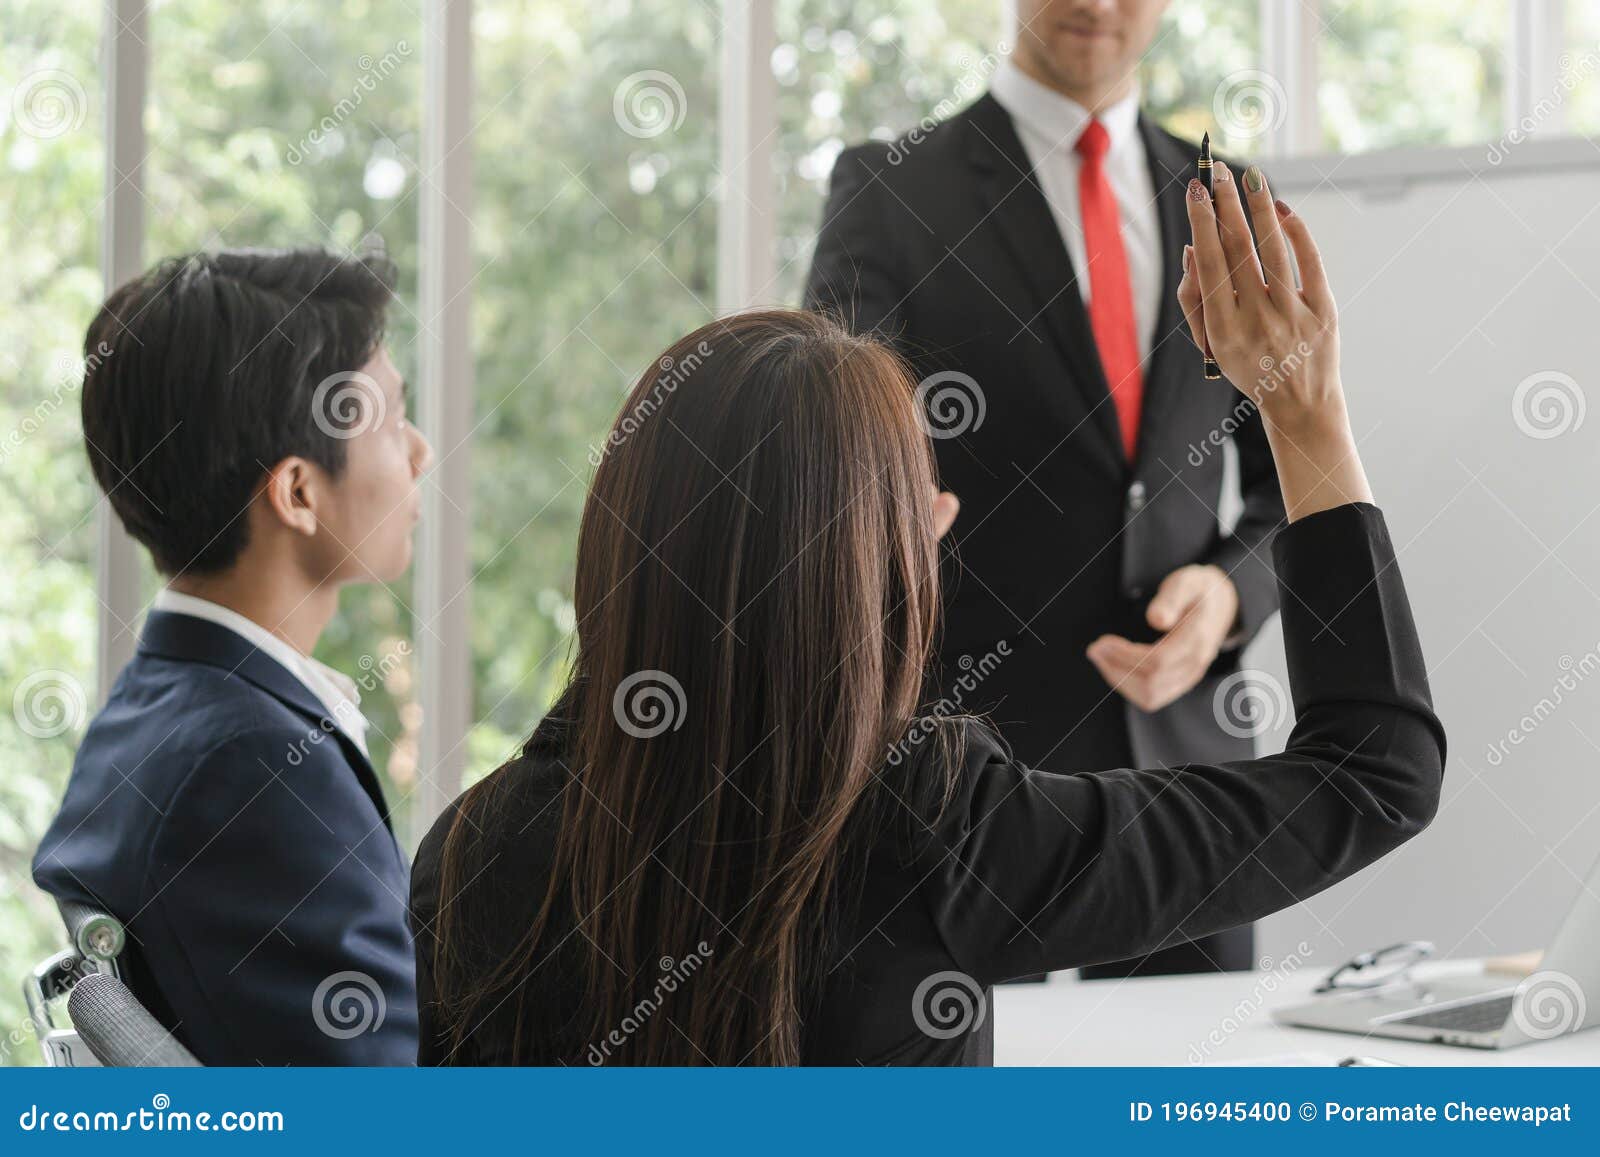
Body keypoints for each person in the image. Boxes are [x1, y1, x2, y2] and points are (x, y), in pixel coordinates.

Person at [408, 169, 1446, 1065]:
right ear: (872, 556)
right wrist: (1305, 412)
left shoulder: (475, 852)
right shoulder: (937, 828)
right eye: (912, 499)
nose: (938, 525)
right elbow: (1374, 772)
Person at [806, 0, 1283, 976]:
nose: (1097, 5)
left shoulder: (1225, 199)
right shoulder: (893, 188)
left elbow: (1289, 483)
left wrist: (1229, 594)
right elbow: (836, 456)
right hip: (960, 774)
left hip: (1184, 774)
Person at [32, 249, 430, 1065]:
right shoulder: (258, 772)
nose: (419, 452)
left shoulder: (153, 714)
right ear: (296, 493)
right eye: (392, 421)